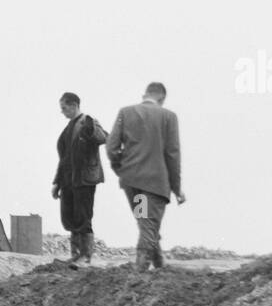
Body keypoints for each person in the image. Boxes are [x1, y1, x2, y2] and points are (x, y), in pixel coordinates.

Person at [105, 81, 185, 271]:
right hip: (155, 184)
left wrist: (121, 169)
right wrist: (176, 188)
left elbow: (111, 147)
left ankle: (160, 267)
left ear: (145, 94)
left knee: (145, 222)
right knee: (148, 224)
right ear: (162, 98)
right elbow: (173, 155)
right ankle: (139, 273)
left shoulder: (126, 113)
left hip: (133, 185)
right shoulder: (168, 117)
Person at [50, 92, 107, 266]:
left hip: (84, 179)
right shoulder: (68, 128)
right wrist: (57, 183)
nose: (62, 111)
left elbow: (103, 137)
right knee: (70, 218)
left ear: (74, 105)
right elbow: (64, 158)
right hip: (68, 181)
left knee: (83, 217)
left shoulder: (88, 122)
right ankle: (75, 255)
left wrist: (91, 129)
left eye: (64, 108)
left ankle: (86, 256)